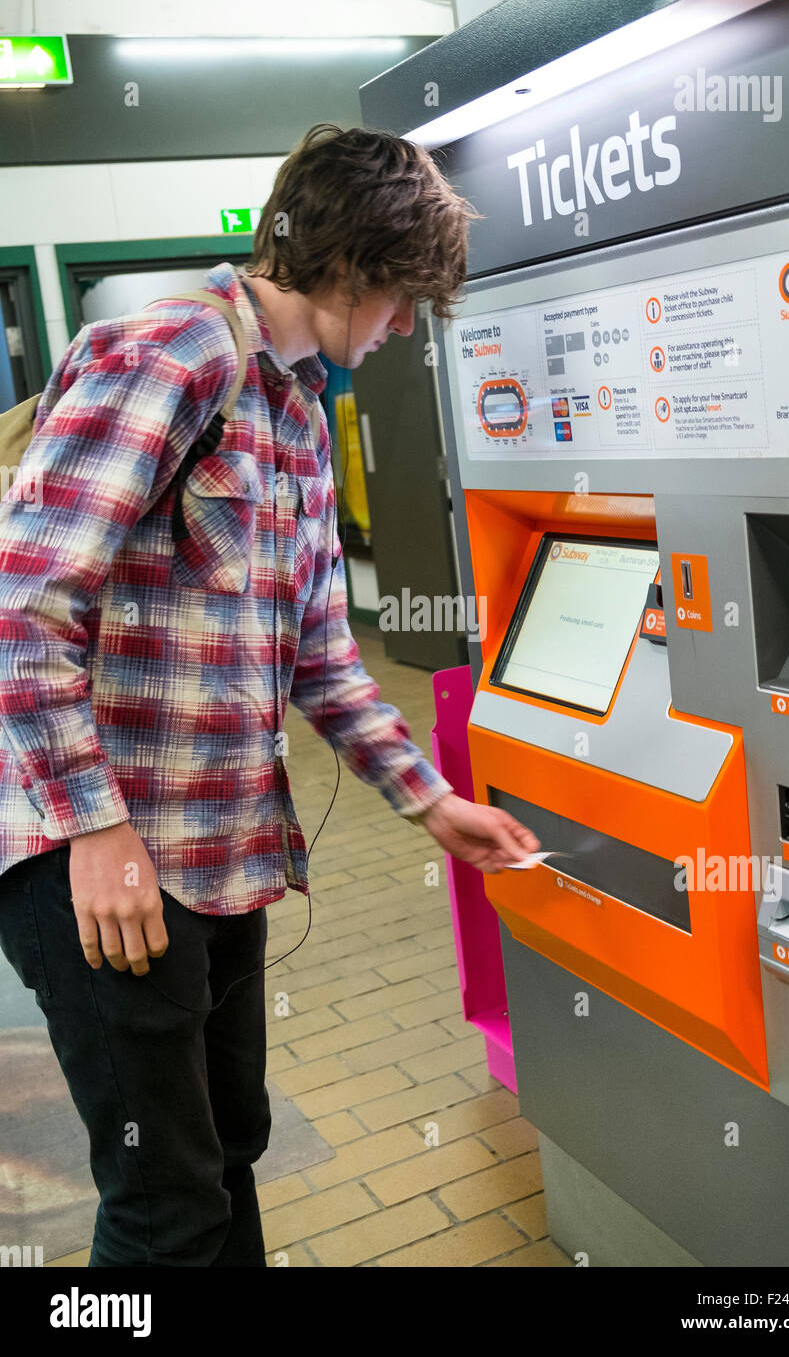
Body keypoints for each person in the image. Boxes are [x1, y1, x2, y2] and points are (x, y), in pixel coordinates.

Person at [0, 123, 539, 1267]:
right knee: (162, 1198)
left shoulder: (290, 410)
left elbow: (319, 657)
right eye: (398, 303)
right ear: (348, 271)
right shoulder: (168, 353)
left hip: (212, 853)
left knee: (227, 1146)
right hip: (97, 852)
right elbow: (25, 609)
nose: (397, 334)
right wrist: (92, 830)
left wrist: (430, 802)